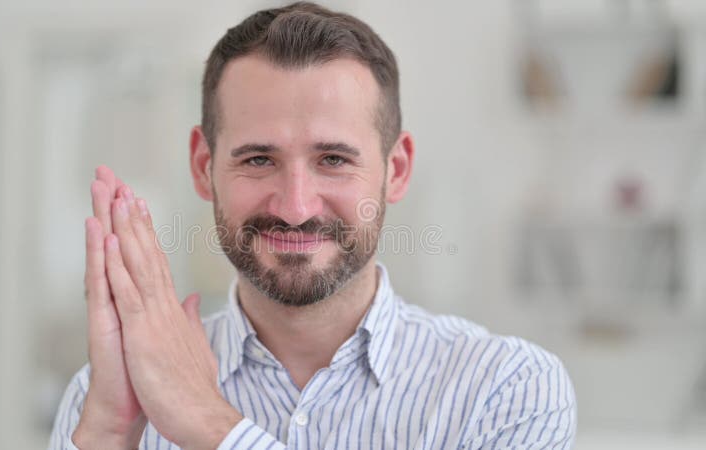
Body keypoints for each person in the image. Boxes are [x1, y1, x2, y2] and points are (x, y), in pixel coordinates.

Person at [48, 2, 577, 449]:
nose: (296, 207)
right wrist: (110, 434)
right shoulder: (108, 401)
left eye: (333, 160)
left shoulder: (507, 389)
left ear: (396, 171)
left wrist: (211, 427)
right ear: (202, 166)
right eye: (258, 159)